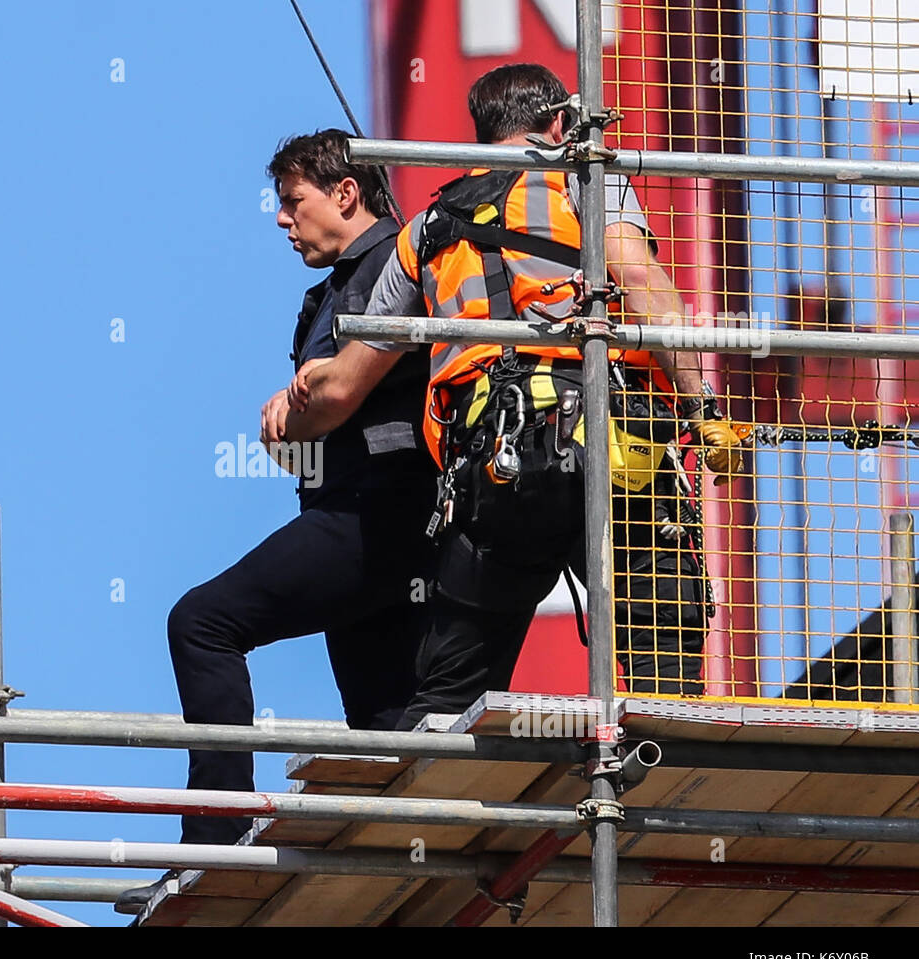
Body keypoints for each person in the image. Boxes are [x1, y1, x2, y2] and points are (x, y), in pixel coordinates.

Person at [284, 65, 746, 727]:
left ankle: (429, 802)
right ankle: (663, 794)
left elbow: (346, 383)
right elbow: (643, 282)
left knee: (452, 686)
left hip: (495, 473)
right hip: (612, 453)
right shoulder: (585, 178)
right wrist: (702, 406)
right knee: (663, 650)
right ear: (560, 123)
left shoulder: (426, 229)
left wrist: (292, 405)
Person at [115, 130, 437, 913]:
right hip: (360, 515)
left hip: (381, 512)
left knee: (202, 623)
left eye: (294, 202)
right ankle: (412, 887)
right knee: (384, 728)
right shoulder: (330, 292)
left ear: (346, 193)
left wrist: (296, 411)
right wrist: (293, 429)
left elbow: (340, 398)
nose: (282, 222)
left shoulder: (393, 266)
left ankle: (214, 841)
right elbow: (316, 431)